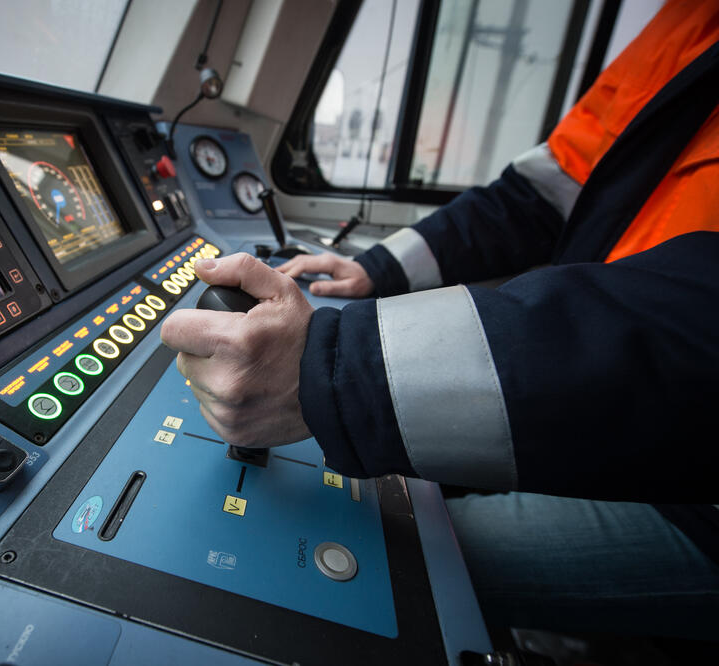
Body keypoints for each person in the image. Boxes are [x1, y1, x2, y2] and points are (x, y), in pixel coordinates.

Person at [160, 0, 719, 640]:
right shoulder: (691, 19)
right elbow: (538, 196)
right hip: (594, 389)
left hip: (696, 499)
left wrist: (335, 375)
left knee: (401, 556)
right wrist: (376, 269)